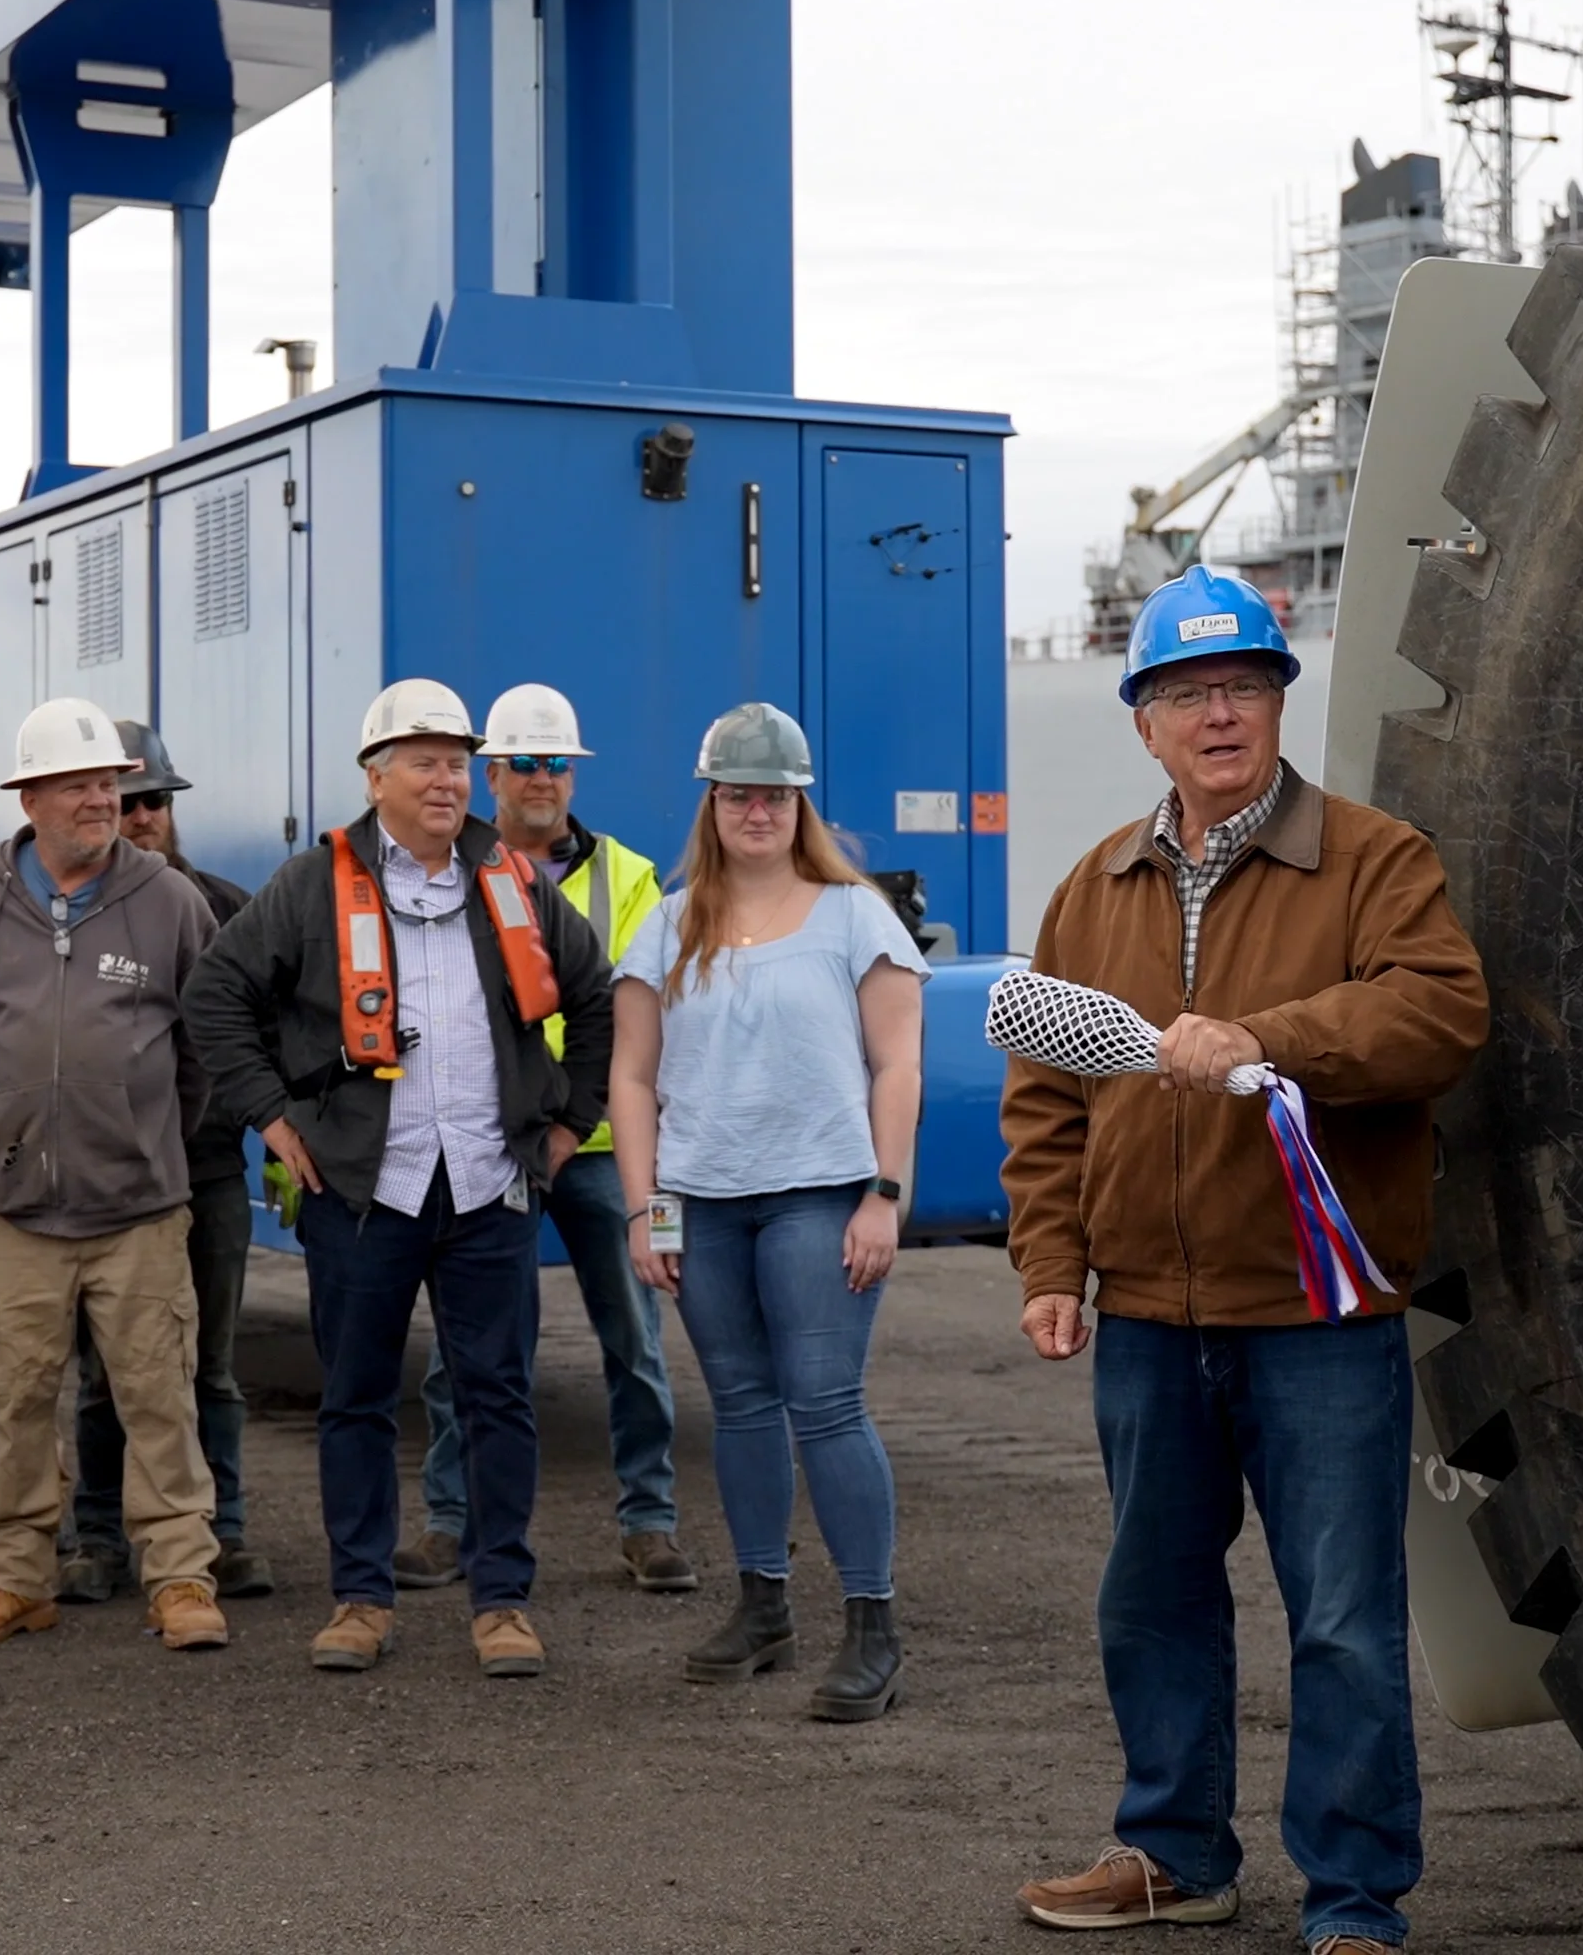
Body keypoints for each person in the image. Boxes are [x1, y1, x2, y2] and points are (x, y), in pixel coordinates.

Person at [1003, 568, 1489, 1951]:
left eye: (1241, 686)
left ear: (1279, 699)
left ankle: (1353, 1901)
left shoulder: (1376, 863)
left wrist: (1269, 1036)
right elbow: (1047, 1091)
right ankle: (1172, 1853)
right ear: (1144, 722)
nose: (1217, 714)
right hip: (1152, 1319)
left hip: (1318, 1317)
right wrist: (1052, 1263)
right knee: (1151, 1601)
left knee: (1341, 1617)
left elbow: (1440, 1015)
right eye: (1184, 693)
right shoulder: (1091, 890)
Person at [182, 679, 616, 1680]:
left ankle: (502, 1600)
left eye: (459, 761)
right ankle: (360, 1598)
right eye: (423, 760)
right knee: (358, 1399)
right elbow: (216, 997)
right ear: (375, 777)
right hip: (362, 1192)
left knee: (498, 1397)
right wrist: (274, 1120)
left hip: (488, 1186)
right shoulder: (308, 887)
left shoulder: (513, 881)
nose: (447, 778)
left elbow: (594, 997)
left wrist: (569, 1122)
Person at [610, 702, 928, 1722]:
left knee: (825, 1402)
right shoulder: (663, 927)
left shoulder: (854, 917)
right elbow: (631, 1078)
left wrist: (884, 1195)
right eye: (740, 793)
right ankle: (763, 1606)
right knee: (740, 1406)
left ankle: (872, 1630)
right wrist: (645, 1214)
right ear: (712, 803)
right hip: (703, 1205)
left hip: (821, 1193)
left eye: (777, 795)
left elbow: (898, 1065)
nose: (759, 811)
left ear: (801, 805)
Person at [0, 698, 228, 1656]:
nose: (102, 801)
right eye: (81, 785)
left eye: (111, 784)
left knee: (158, 1397)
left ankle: (179, 1577)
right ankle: (14, 1578)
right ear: (30, 795)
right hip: (9, 1212)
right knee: (10, 1400)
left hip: (137, 1209)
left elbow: (201, 1050)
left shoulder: (171, 900)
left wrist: (141, 1139)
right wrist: (1, 1130)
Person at [399, 683, 690, 1597]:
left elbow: (642, 1019)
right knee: (468, 1348)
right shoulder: (448, 874)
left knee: (635, 1343)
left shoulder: (632, 879)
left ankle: (649, 1521)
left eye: (556, 763)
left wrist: (585, 1121)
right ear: (492, 775)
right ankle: (452, 1522)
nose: (542, 779)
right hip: (493, 1142)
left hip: (603, 1144)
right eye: (524, 763)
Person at [56, 719, 272, 1605]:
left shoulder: (226, 907)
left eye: (154, 801)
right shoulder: (64, 914)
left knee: (210, 1366)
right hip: (108, 1180)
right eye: (128, 800)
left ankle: (222, 1534)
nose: (141, 816)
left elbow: (271, 1033)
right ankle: (98, 1535)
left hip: (210, 1169)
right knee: (105, 1370)